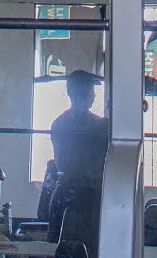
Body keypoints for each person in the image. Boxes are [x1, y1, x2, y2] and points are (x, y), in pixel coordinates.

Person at [47, 70, 109, 254]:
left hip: (64, 195)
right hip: (86, 199)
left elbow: (62, 164)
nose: (94, 96)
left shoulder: (59, 123)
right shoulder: (101, 126)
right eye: (91, 92)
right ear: (80, 93)